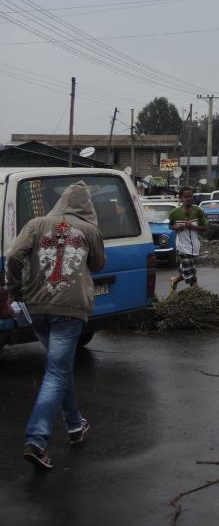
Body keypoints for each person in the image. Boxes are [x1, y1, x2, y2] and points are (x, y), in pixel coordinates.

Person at [6, 182, 107, 470]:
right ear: (87, 207)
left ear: (61, 202)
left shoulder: (37, 224)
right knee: (57, 372)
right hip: (70, 309)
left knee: (58, 369)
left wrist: (15, 289)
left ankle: (75, 426)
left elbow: (14, 255)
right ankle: (36, 440)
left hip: (37, 306)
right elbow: (99, 265)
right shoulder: (89, 230)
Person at [168, 186, 208, 292]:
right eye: (185, 196)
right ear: (181, 198)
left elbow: (205, 227)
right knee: (191, 271)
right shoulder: (174, 213)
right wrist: (178, 227)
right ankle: (195, 290)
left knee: (186, 270)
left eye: (190, 196)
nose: (188, 198)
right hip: (182, 246)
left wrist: (192, 227)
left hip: (195, 246)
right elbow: (170, 226)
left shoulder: (198, 211)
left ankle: (175, 280)